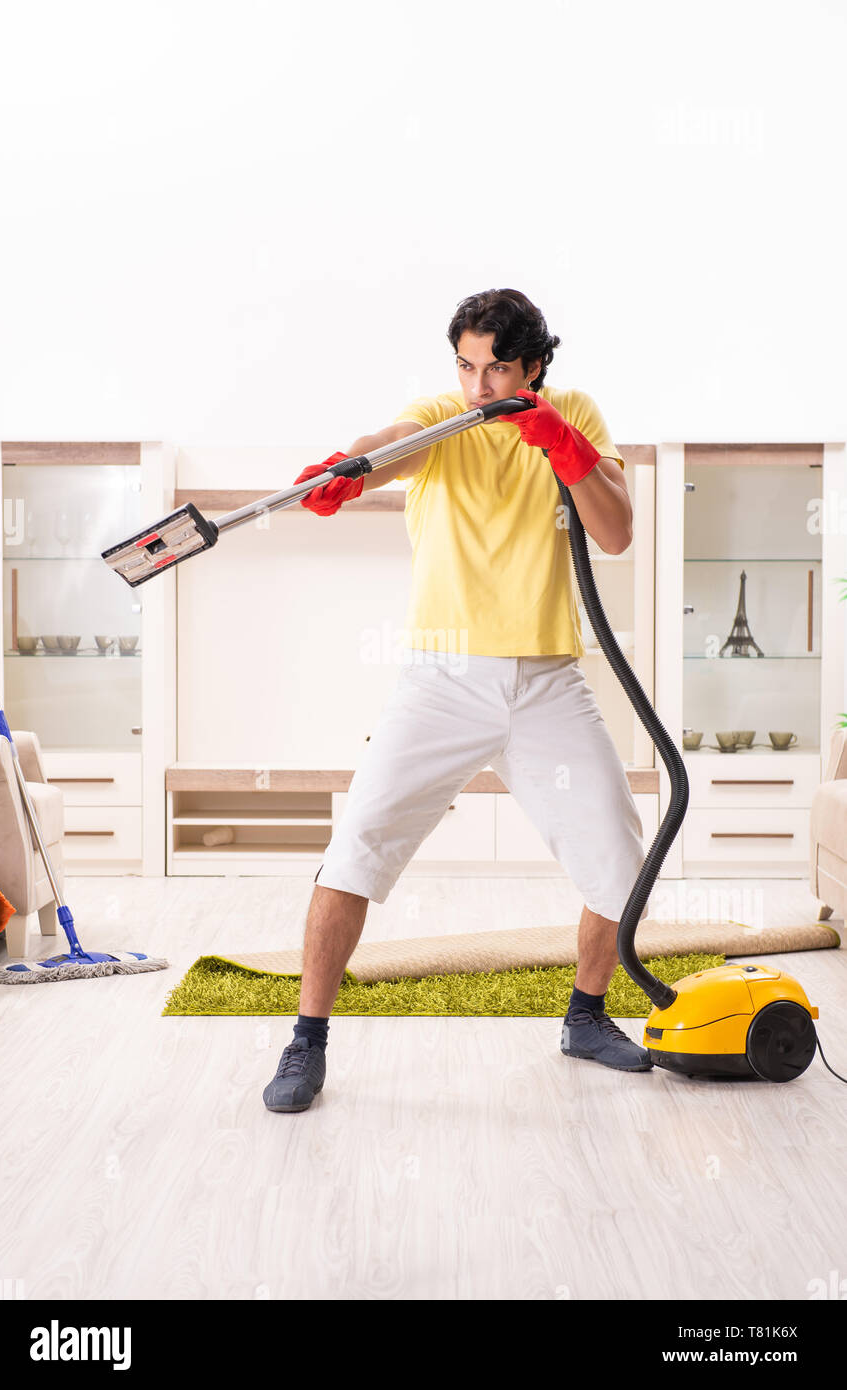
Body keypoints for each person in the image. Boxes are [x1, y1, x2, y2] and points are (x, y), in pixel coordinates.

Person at [263, 287, 650, 1114]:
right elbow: (391, 445)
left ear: (535, 366)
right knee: (357, 847)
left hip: (546, 677)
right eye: (467, 367)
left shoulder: (572, 413)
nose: (479, 387)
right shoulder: (444, 419)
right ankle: (306, 1042)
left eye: (497, 368)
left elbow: (615, 532)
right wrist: (345, 471)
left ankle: (585, 1017)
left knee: (619, 859)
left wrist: (558, 443)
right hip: (440, 679)